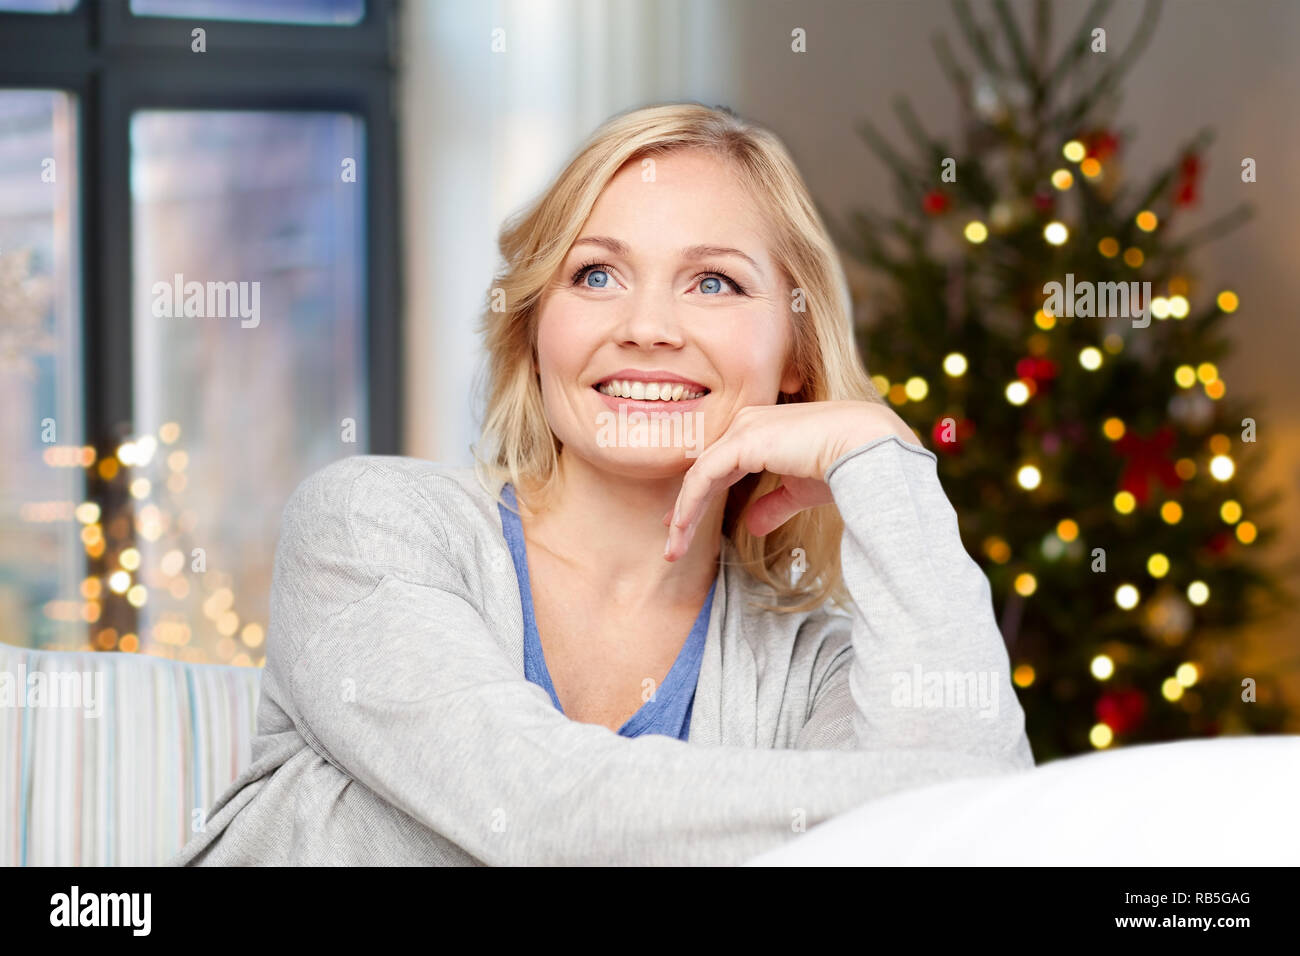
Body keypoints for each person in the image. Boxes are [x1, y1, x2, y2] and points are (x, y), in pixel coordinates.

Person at [170, 102, 1034, 867]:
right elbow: (546, 814)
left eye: (714, 282)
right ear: (536, 327)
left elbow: (980, 838)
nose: (647, 327)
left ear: (797, 358)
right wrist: (900, 810)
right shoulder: (371, 527)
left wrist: (881, 456)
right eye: (594, 275)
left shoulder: (813, 667)